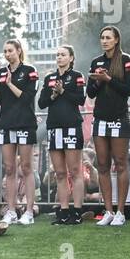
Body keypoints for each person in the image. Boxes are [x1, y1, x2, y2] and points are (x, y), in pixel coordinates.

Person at [86, 25, 130, 227]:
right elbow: (90, 93)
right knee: (103, 165)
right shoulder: (96, 62)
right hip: (100, 120)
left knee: (121, 163)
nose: (105, 41)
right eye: (102, 37)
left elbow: (129, 89)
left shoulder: (125, 60)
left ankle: (121, 212)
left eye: (108, 37)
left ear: (116, 40)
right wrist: (98, 82)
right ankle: (108, 211)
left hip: (119, 119)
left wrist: (108, 79)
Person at [40, 45, 87, 224]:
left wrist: (63, 92)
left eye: (63, 55)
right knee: (59, 173)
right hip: (54, 127)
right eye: (57, 55)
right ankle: (64, 210)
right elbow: (42, 102)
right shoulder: (50, 78)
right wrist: (53, 95)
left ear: (71, 58)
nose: (59, 57)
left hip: (71, 126)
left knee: (75, 171)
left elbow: (80, 99)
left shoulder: (77, 77)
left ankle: (77, 211)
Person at [0, 38, 39, 226]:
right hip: (6, 124)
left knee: (27, 167)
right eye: (5, 51)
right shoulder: (1, 73)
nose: (7, 54)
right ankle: (11, 210)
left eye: (10, 51)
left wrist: (10, 83)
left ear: (19, 51)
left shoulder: (30, 71)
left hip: (25, 124)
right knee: (9, 169)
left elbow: (26, 98)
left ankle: (29, 210)